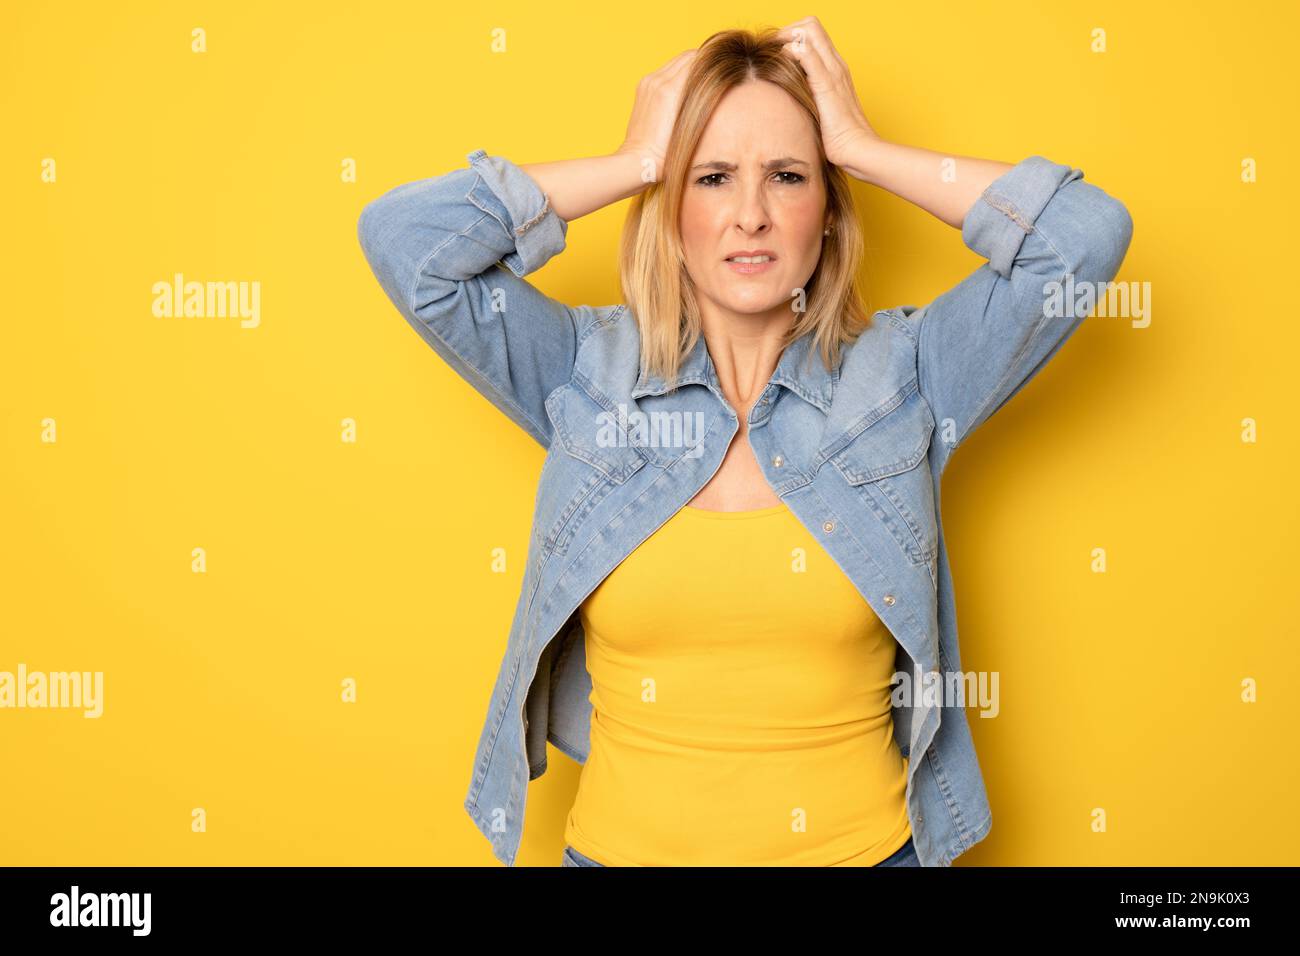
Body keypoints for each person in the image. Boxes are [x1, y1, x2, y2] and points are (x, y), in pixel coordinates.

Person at [356, 17, 1133, 867]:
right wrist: (634, 161)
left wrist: (859, 147)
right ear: (672, 210)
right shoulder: (582, 372)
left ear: (829, 211)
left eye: (790, 177)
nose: (751, 216)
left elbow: (1081, 239)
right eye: (713, 177)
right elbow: (408, 245)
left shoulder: (907, 376)